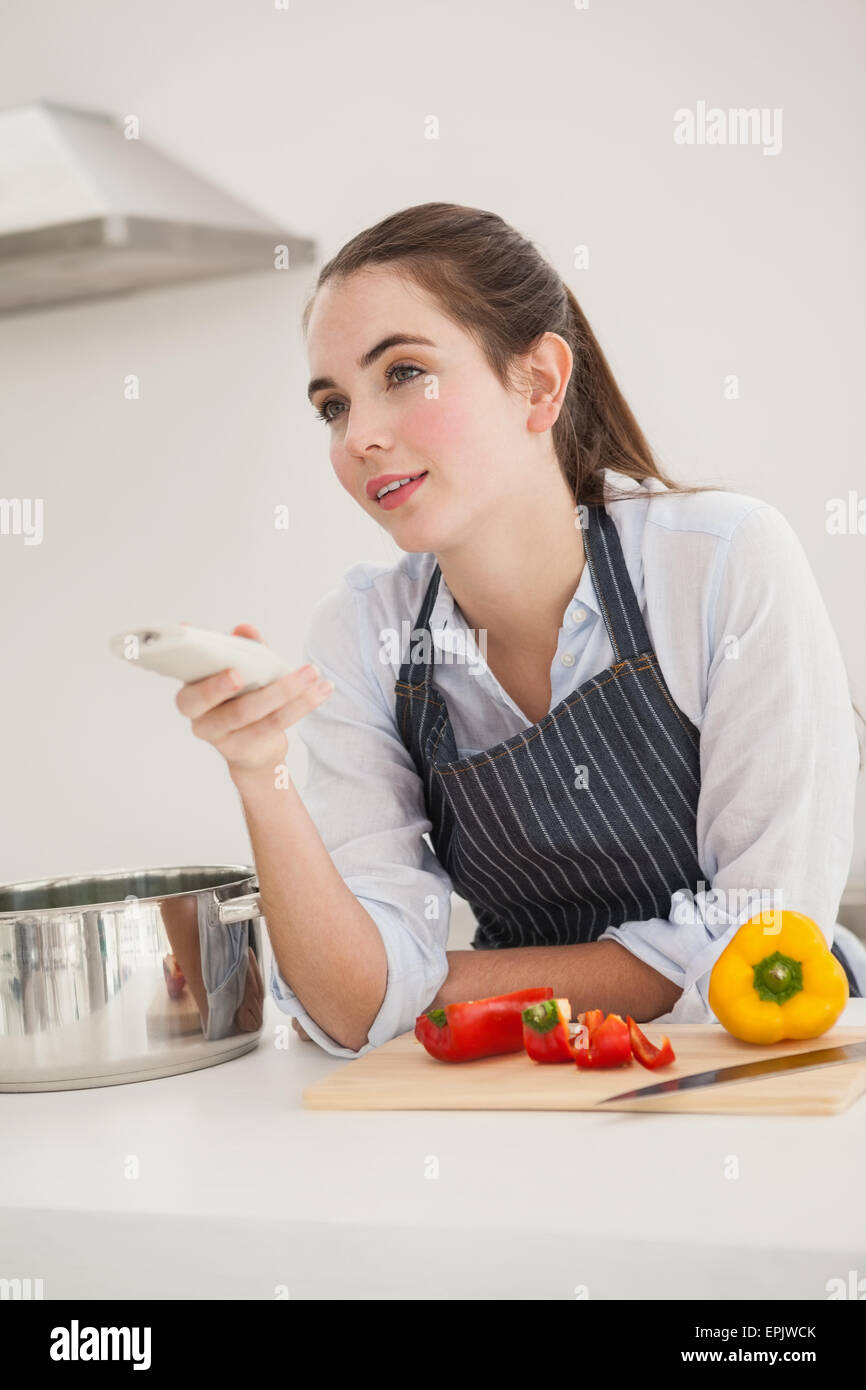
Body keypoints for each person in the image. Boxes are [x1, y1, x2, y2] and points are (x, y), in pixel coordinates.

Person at [175, 202, 866, 1057]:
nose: (360, 436)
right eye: (332, 406)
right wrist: (258, 774)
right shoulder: (362, 632)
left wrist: (438, 986)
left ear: (539, 382)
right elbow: (350, 1004)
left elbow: (766, 942)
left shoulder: (719, 562)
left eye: (402, 373)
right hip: (522, 1074)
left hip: (757, 1068)